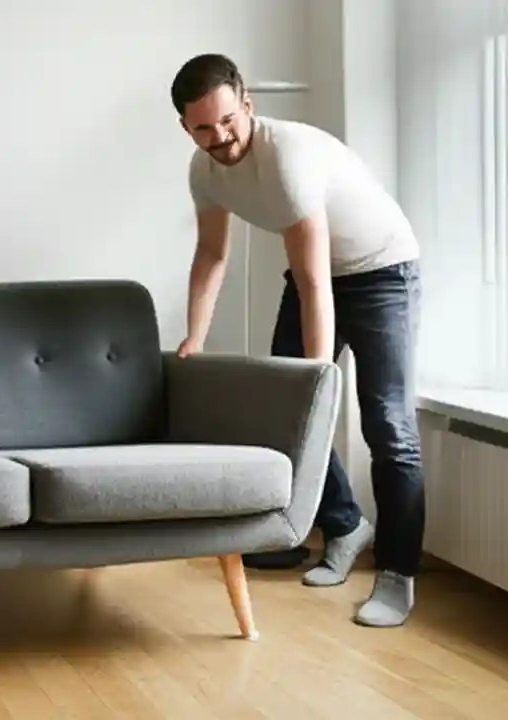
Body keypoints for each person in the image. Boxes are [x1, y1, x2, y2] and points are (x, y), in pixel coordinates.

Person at [169, 53, 424, 628]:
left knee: (387, 425)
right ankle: (344, 523)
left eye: (229, 120)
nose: (221, 136)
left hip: (382, 272)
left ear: (248, 105)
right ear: (186, 127)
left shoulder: (287, 157)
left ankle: (397, 573)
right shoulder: (203, 171)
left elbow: (315, 282)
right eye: (204, 127)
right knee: (284, 414)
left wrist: (317, 375)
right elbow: (212, 255)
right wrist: (194, 337)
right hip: (320, 277)